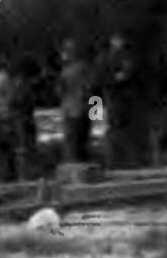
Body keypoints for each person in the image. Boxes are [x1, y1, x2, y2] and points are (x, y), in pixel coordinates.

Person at [101, 33, 141, 170]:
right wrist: (115, 78)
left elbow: (131, 72)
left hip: (123, 98)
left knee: (124, 130)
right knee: (114, 130)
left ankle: (125, 162)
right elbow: (101, 78)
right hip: (113, 97)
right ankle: (114, 162)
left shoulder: (125, 56)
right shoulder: (107, 58)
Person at [57, 38, 94, 163]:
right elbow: (91, 89)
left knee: (73, 142)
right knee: (83, 141)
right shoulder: (85, 68)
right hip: (83, 108)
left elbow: (60, 90)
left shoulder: (68, 71)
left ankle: (74, 166)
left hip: (72, 109)